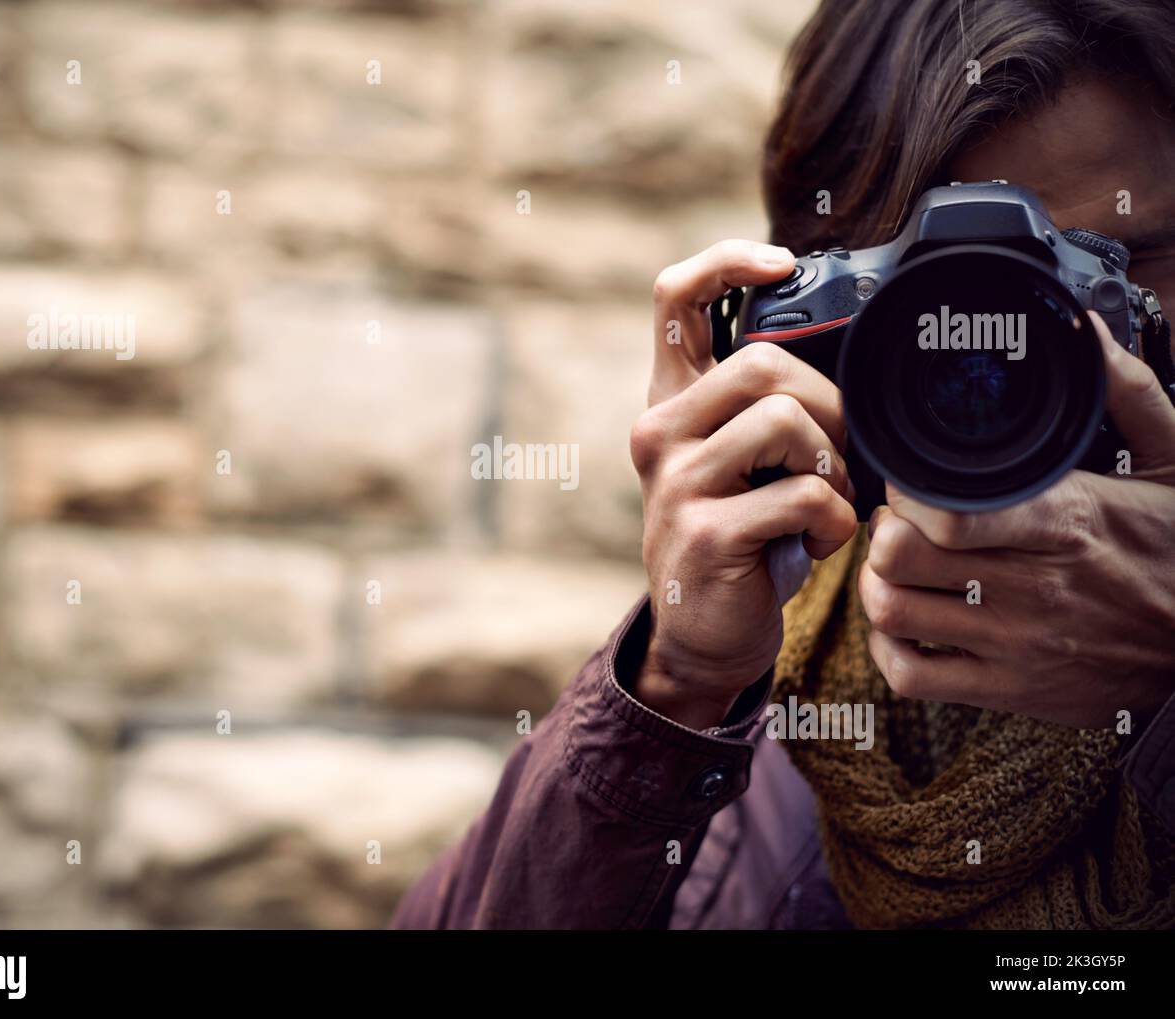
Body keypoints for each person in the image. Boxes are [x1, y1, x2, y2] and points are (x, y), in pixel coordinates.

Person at [392, 0, 1175, 929]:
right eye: (937, 296)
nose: (1000, 358)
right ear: (816, 324)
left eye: (1111, 267)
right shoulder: (775, 722)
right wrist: (675, 686)